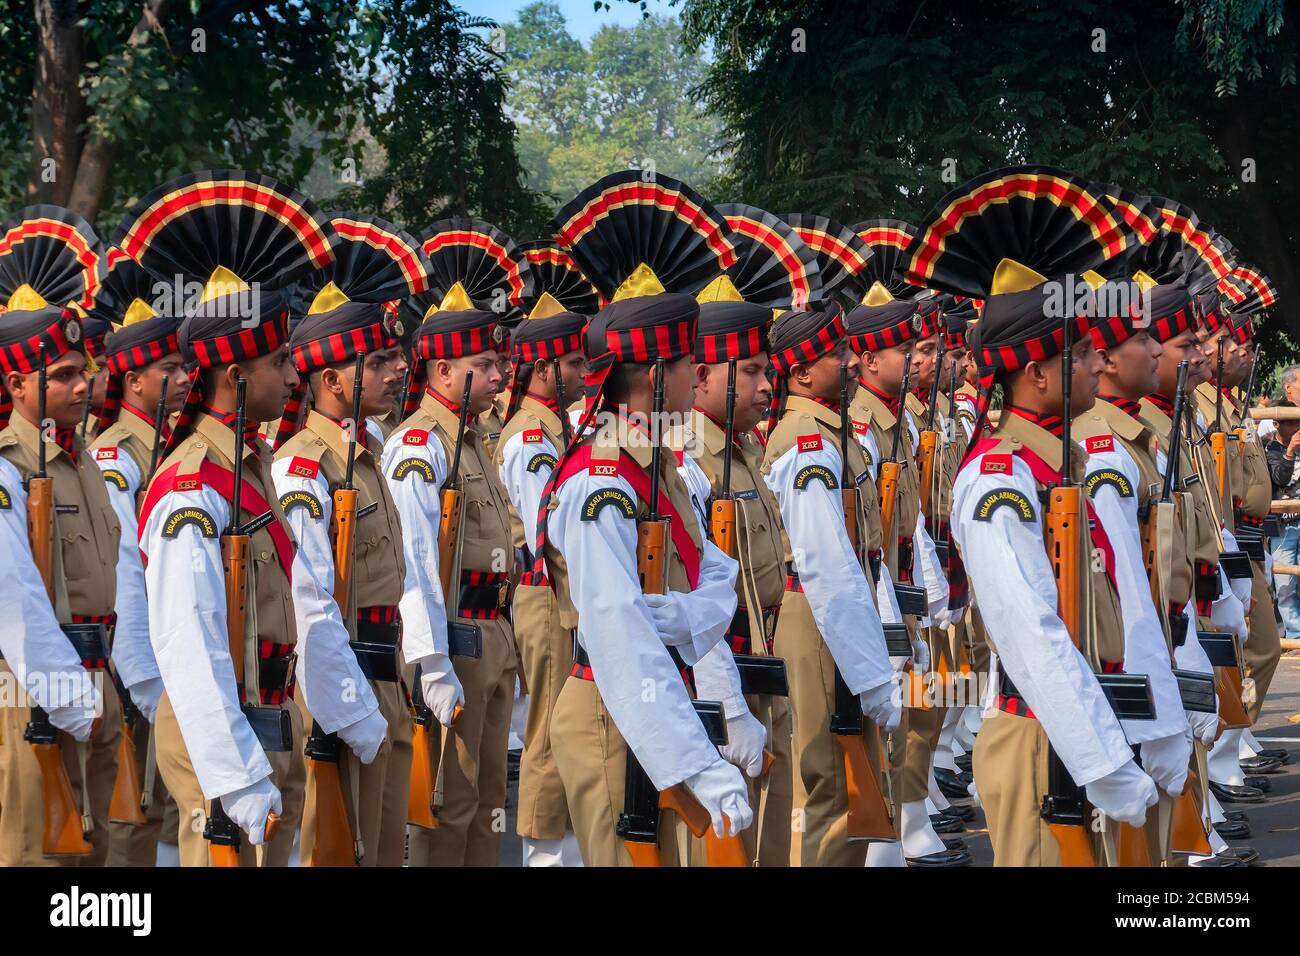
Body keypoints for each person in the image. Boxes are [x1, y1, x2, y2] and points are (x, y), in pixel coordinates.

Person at [903, 166, 1159, 866]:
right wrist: (1104, 762)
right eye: (1078, 353)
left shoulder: (1058, 462)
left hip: (1087, 721)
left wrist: (1150, 727)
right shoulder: (999, 476)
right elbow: (1030, 630)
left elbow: (1123, 599)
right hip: (1047, 738)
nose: (1097, 362)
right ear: (1035, 374)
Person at [122, 170, 338, 865]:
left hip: (264, 723)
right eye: (279, 361)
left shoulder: (245, 469)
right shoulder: (194, 485)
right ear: (237, 376)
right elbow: (189, 641)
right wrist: (236, 772)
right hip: (226, 737)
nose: (293, 375)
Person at [542, 170, 754, 866]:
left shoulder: (657, 462)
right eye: (690, 362)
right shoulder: (603, 478)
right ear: (653, 373)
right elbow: (617, 629)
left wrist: (688, 617)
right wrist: (695, 763)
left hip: (657, 695)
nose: (701, 375)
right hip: (613, 708)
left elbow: (718, 573)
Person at [271, 211, 430, 866]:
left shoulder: (368, 453)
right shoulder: (302, 468)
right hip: (339, 692)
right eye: (383, 360)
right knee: (338, 854)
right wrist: (342, 708)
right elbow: (310, 610)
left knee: (383, 851)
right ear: (333, 380)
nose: (400, 369)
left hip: (383, 678)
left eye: (398, 357)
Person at [385, 219, 530, 865]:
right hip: (454, 639)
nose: (500, 375)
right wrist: (430, 660)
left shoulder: (474, 438)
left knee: (489, 796)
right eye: (485, 364)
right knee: (450, 803)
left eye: (499, 362)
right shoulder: (421, 446)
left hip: (490, 635)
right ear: (442, 370)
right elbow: (414, 560)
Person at [0, 205, 120, 866]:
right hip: (30, 700)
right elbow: (13, 602)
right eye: (64, 375)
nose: (84, 384)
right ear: (18, 384)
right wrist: (70, 695)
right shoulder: (7, 469)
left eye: (85, 370)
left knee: (90, 866)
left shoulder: (83, 464)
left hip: (93, 685)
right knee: (37, 859)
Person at [84, 253, 192, 867]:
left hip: (172, 657)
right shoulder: (116, 460)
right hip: (138, 667)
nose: (182, 378)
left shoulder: (168, 448)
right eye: (169, 369)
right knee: (136, 813)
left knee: (179, 809)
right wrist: (147, 681)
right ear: (132, 381)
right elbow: (126, 575)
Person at [492, 282, 590, 867]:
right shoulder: (531, 438)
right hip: (547, 595)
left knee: (567, 725)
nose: (582, 372)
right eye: (574, 362)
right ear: (545, 367)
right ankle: (544, 851)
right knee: (551, 727)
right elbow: (547, 532)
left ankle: (566, 844)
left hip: (562, 595)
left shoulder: (554, 428)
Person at [1266, 402, 1300, 639]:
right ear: (1277, 423)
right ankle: (1296, 636)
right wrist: (1289, 452)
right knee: (1285, 584)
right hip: (1282, 526)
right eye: (1289, 422)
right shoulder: (1268, 447)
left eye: (1297, 421)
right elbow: (1278, 480)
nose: (1296, 427)